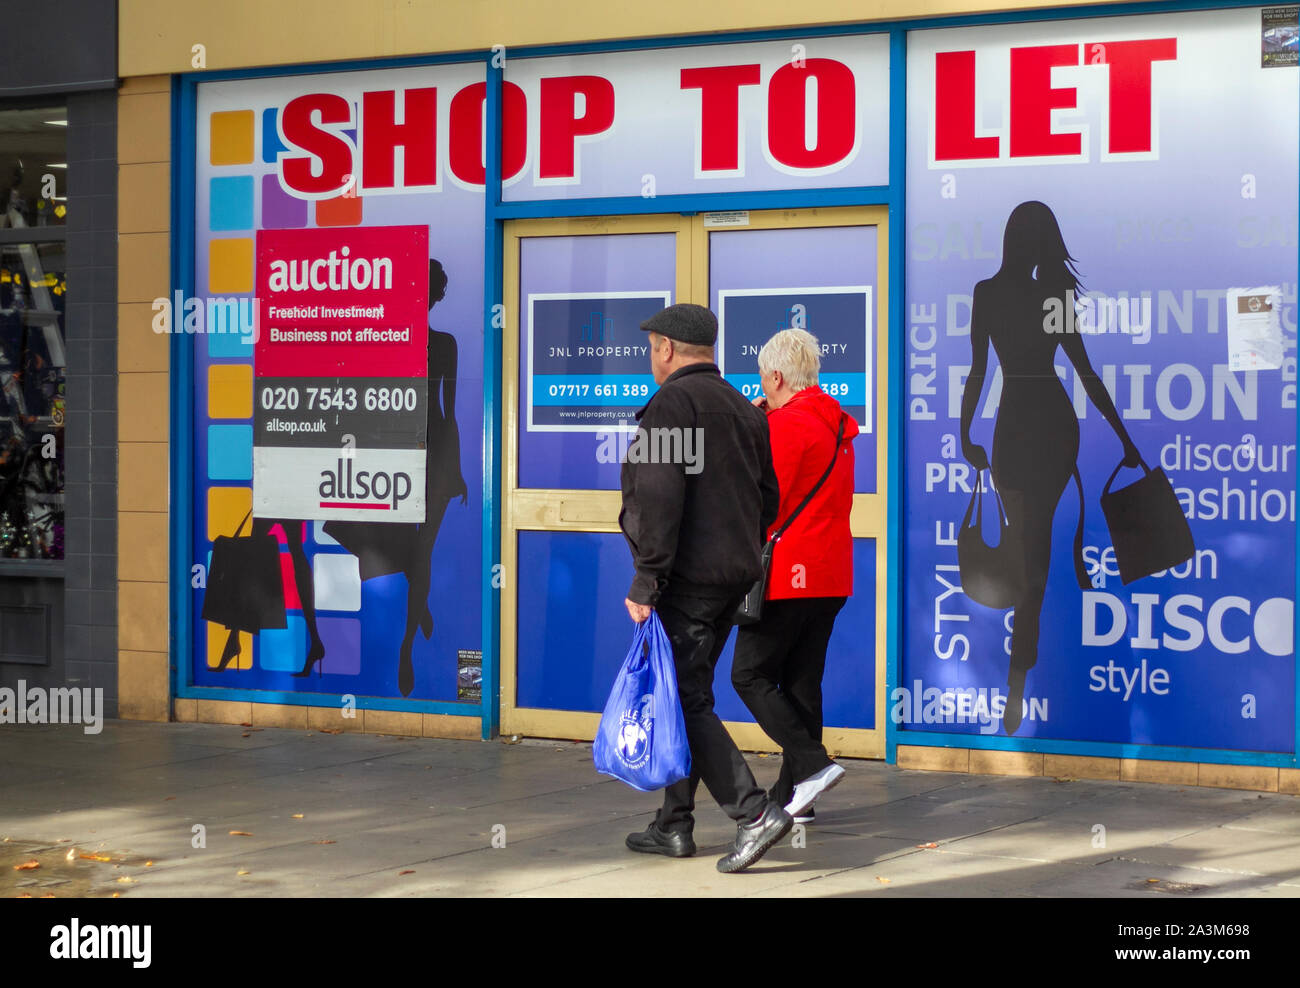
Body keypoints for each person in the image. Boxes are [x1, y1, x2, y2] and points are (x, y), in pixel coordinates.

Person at [619, 302, 793, 874]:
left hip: (686, 582)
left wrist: (647, 580)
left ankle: (753, 813)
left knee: (685, 698)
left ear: (666, 349)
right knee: (687, 693)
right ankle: (673, 824)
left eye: (652, 348)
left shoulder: (673, 405)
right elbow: (768, 500)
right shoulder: (745, 410)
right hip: (733, 580)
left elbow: (660, 500)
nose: (652, 358)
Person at [960, 201, 1140, 734]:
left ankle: (1018, 678)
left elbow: (979, 370)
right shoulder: (1049, 294)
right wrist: (1124, 439)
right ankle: (1020, 673)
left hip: (1017, 424)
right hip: (1050, 422)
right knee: (1033, 550)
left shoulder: (989, 294)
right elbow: (1083, 373)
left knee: (1031, 547)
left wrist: (965, 433)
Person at [322, 258, 468, 694]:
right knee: (411, 548)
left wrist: (455, 470)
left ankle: (407, 647)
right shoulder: (398, 341)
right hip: (404, 452)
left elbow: (450, 411)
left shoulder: (439, 344)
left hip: (428, 453)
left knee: (420, 549)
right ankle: (416, 599)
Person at [732, 328, 856, 823]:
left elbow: (766, 502)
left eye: (763, 378)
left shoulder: (786, 427)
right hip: (831, 573)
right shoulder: (838, 423)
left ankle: (812, 765)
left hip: (789, 573)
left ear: (776, 376)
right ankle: (794, 798)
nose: (761, 385)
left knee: (750, 674)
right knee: (803, 683)